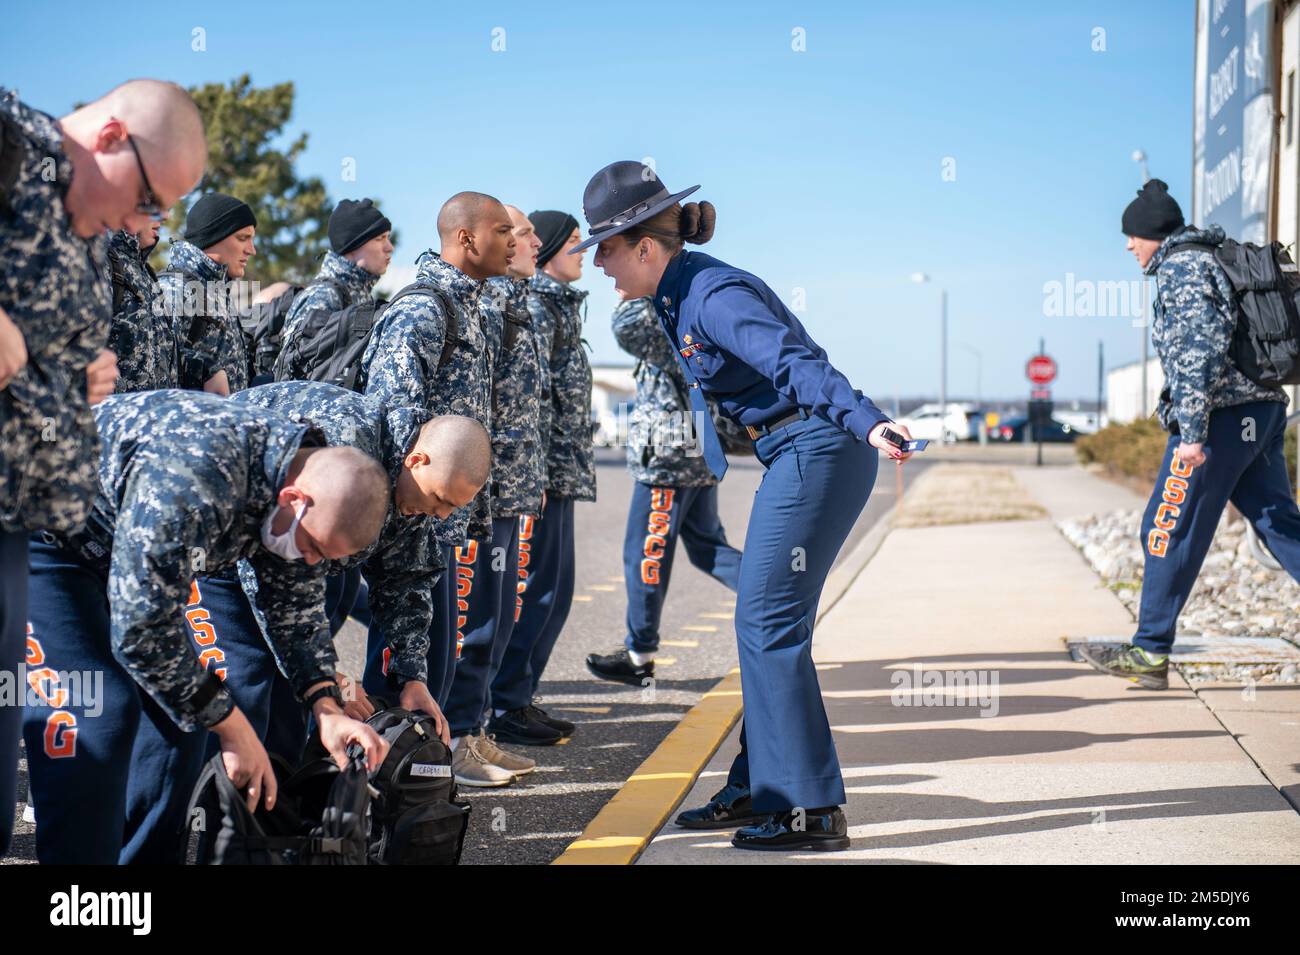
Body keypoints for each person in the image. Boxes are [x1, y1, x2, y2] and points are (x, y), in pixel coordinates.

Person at [574, 160, 912, 852]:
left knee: (766, 620)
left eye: (604, 247)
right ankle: (759, 784)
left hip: (816, 444)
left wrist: (867, 418)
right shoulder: (672, 292)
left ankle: (806, 809)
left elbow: (795, 363)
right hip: (789, 451)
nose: (599, 262)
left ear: (644, 246)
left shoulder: (712, 293)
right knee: (767, 622)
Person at [120, 382, 490, 862]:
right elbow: (279, 582)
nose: (440, 516)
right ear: (417, 462)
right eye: (441, 500)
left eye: (452, 510)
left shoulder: (412, 486)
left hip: (288, 556)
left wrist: (411, 676)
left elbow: (405, 581)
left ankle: (262, 849)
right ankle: (198, 849)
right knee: (244, 698)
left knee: (292, 717)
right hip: (229, 550)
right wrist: (327, 680)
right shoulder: (348, 450)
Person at [24, 389, 390, 864]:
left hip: (124, 555)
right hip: (44, 535)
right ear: (293, 499)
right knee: (98, 714)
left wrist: (325, 706)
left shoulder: (299, 493)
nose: (311, 561)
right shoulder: (196, 478)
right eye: (315, 549)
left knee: (181, 725)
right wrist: (234, 728)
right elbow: (143, 633)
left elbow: (293, 608)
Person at [0, 78, 206, 855]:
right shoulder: (12, 140)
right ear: (113, 134)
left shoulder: (86, 226)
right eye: (149, 199)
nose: (140, 224)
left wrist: (70, 375)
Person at [1080, 179, 1300, 689]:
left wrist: (1193, 435)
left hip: (1221, 421)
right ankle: (1152, 645)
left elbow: (1198, 356)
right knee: (1277, 522)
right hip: (1261, 411)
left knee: (1166, 526)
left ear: (1155, 234)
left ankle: (1150, 651)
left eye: (1133, 235)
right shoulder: (1213, 255)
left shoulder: (1182, 269)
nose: (1128, 245)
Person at [359, 192, 511, 711]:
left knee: (436, 664)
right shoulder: (423, 309)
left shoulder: (473, 306)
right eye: (503, 231)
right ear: (466, 237)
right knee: (398, 665)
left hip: (442, 518)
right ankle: (377, 778)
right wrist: (413, 519)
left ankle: (423, 774)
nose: (512, 243)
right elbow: (390, 422)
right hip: (413, 520)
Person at [443, 204, 550, 786]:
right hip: (479, 493)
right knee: (471, 619)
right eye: (514, 230)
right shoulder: (479, 304)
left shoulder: (513, 305)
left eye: (526, 231)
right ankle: (455, 739)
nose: (527, 241)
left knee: (500, 618)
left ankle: (474, 731)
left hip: (512, 490)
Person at [585, 294, 742, 686]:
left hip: (670, 458)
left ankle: (639, 654)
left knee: (645, 554)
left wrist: (631, 296)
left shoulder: (666, 316)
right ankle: (777, 595)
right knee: (708, 547)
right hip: (694, 450)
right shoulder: (695, 311)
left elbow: (629, 328)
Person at [488, 210, 596, 733]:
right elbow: (537, 402)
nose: (584, 252)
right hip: (540, 478)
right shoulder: (538, 307)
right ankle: (505, 701)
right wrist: (543, 477)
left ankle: (520, 696)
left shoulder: (560, 308)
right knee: (534, 592)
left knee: (555, 591)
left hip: (558, 473)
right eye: (573, 243)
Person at [277, 197, 394, 376]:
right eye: (380, 238)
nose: (389, 247)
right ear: (353, 246)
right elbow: (294, 373)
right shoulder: (323, 296)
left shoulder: (358, 294)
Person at [158, 192, 258, 395]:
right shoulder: (173, 291)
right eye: (242, 238)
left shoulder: (218, 293)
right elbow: (156, 379)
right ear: (214, 237)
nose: (251, 250)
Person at [107, 219, 177, 392]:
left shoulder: (148, 276)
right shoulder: (102, 264)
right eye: (154, 205)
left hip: (158, 415)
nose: (165, 216)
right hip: (115, 416)